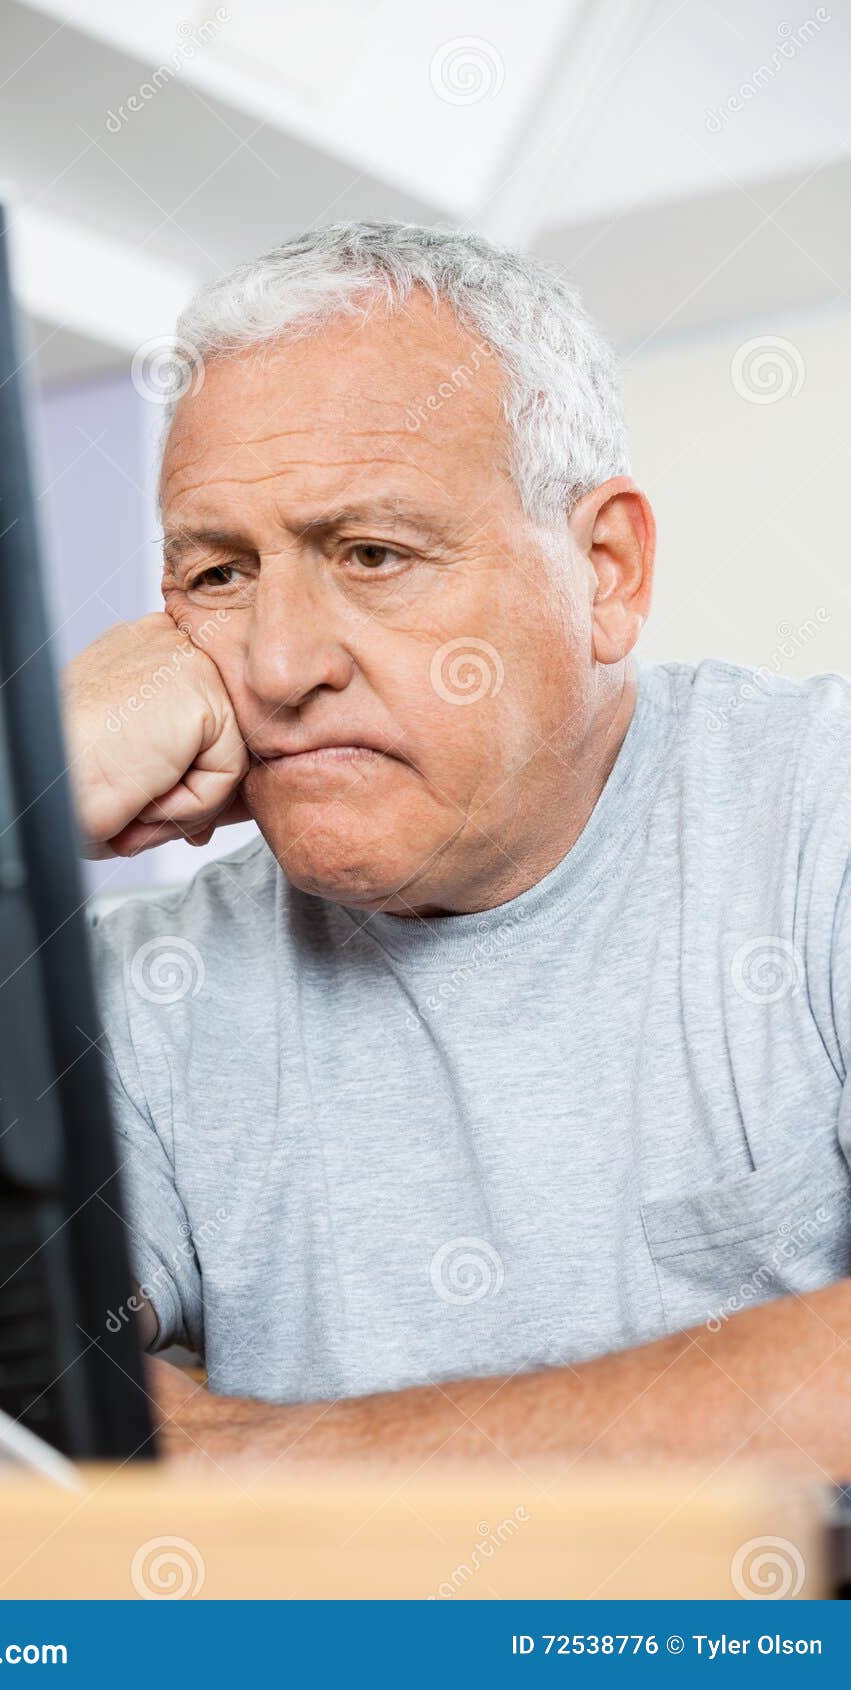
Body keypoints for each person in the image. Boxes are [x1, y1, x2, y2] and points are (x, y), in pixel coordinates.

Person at [64, 222, 851, 1471]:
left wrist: (254, 1460)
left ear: (603, 572)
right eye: (217, 574)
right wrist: (9, 804)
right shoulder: (147, 982)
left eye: (370, 554)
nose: (279, 664)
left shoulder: (816, 811)